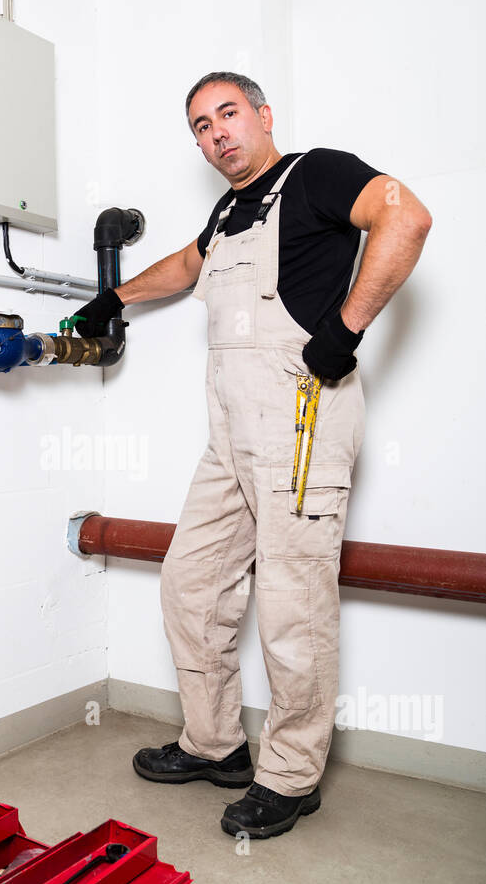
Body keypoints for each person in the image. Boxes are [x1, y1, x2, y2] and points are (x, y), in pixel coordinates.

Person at [77, 72, 432, 840]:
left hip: (302, 415)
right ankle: (215, 745)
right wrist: (114, 299)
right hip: (232, 430)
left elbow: (407, 216)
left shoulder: (318, 173)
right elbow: (184, 263)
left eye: (228, 115)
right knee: (192, 579)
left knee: (292, 600)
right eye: (202, 126)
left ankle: (290, 775)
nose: (217, 135)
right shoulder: (230, 209)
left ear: (263, 115)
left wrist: (347, 328)